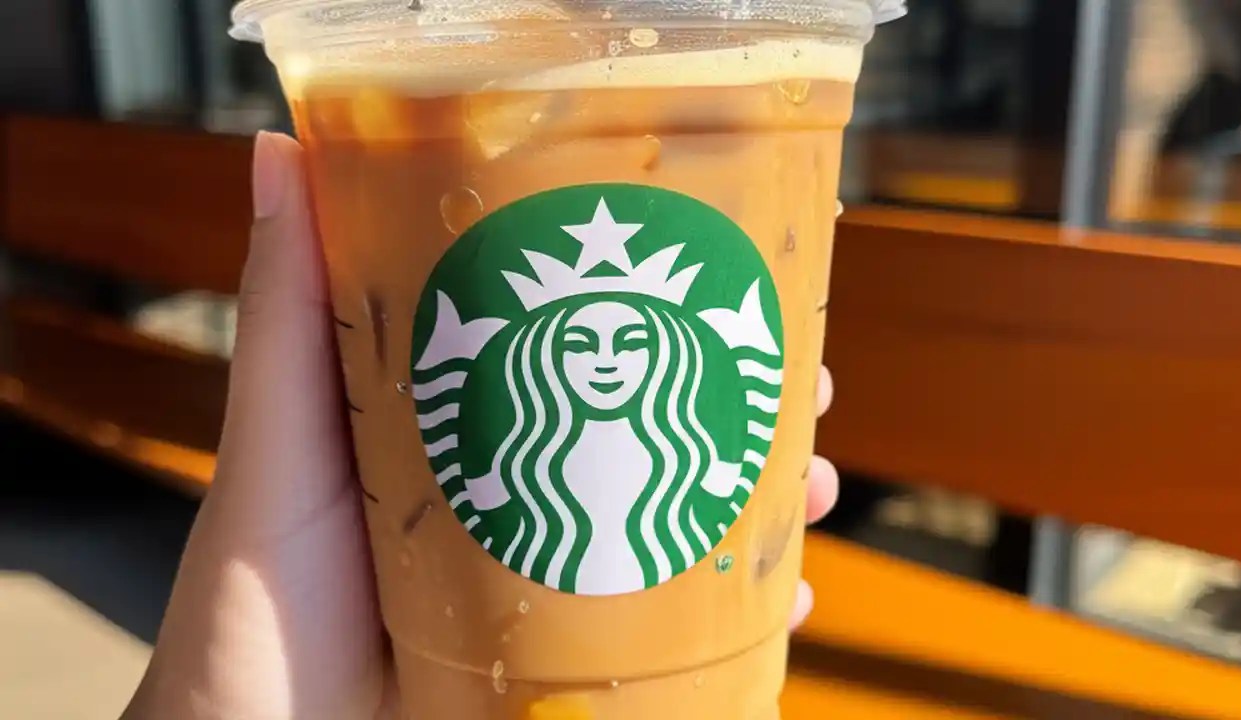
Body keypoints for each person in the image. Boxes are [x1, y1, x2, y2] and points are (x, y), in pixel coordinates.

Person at [121, 132, 842, 719]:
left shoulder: (694, 471)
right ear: (542, 357)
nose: (606, 364)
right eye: (579, 344)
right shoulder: (515, 483)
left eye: (631, 344)